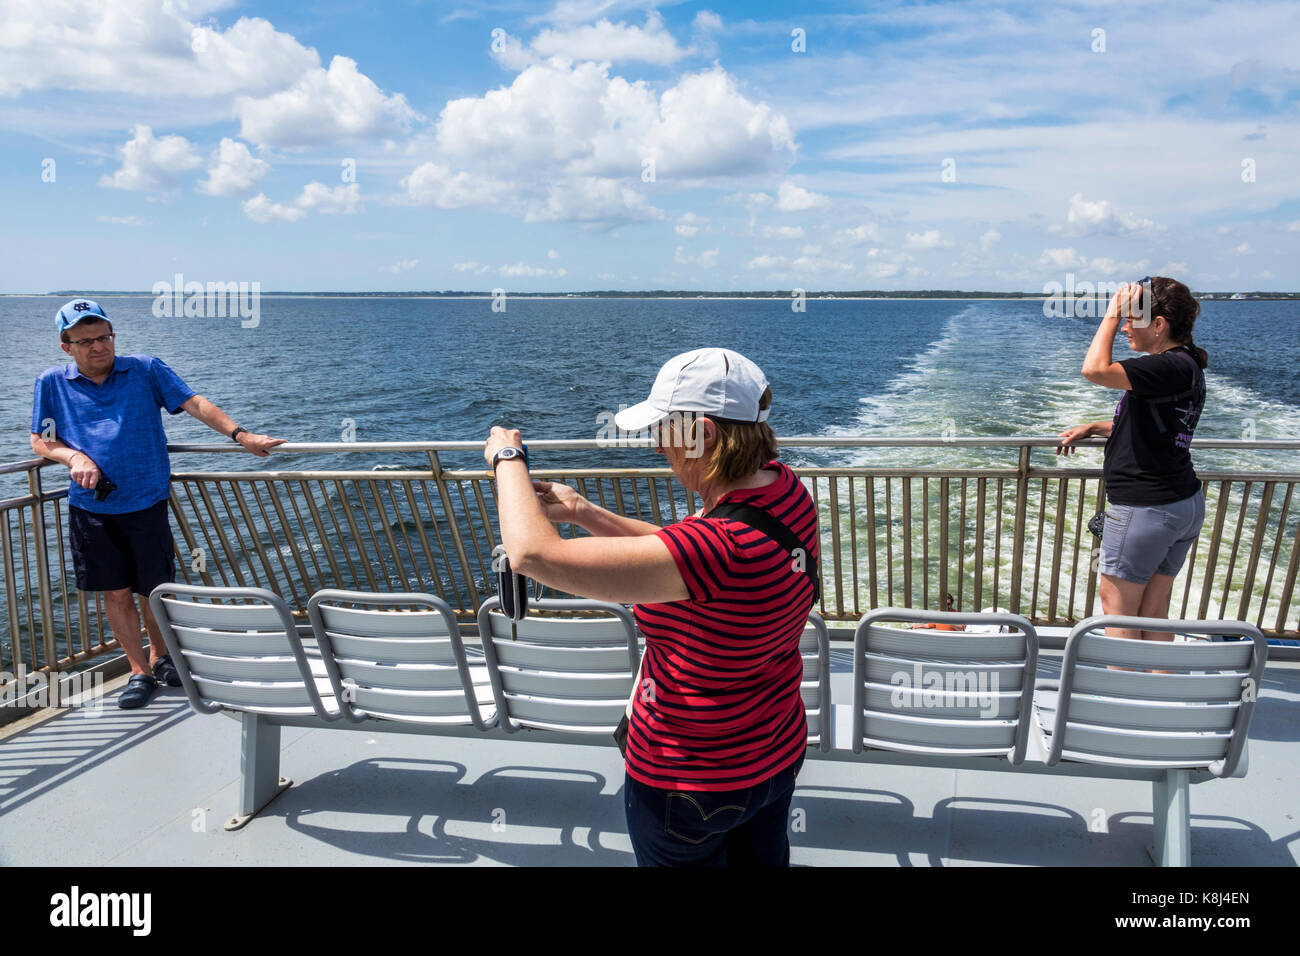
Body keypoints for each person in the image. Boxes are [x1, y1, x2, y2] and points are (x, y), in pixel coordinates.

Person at [483, 347, 818, 866]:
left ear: (704, 434)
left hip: (691, 783)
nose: (659, 444)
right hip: (774, 753)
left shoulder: (718, 548)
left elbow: (533, 555)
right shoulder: (785, 490)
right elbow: (682, 551)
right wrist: (584, 512)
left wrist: (508, 460)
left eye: (666, 429)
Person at [29, 299, 286, 708]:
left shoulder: (145, 369)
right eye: (86, 341)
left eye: (104, 337)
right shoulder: (51, 383)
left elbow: (194, 403)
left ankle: (161, 657)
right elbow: (41, 439)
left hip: (146, 502)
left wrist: (242, 436)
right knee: (115, 594)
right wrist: (74, 457)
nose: (99, 347)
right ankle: (138, 672)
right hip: (92, 509)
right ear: (67, 347)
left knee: (154, 591)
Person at [1056, 277, 1208, 641]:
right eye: (1122, 319)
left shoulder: (1165, 368)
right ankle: (1156, 692)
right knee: (1153, 611)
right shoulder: (1185, 366)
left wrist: (1109, 314)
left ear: (1159, 326)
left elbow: (1094, 370)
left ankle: (1123, 694)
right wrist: (1098, 426)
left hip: (1146, 508)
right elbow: (1162, 426)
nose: (1125, 326)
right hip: (1181, 503)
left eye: (1130, 319)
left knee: (1118, 610)